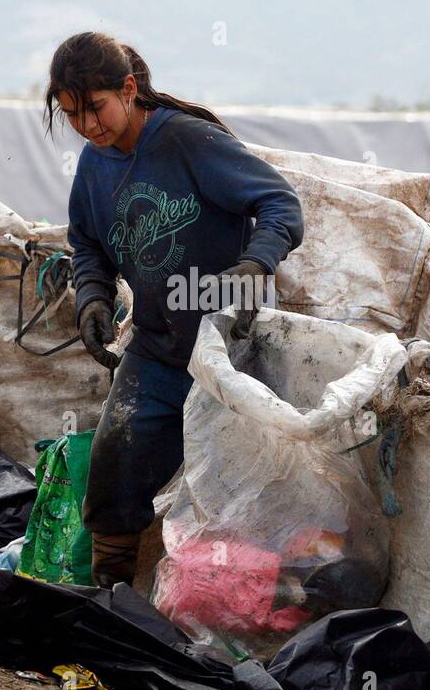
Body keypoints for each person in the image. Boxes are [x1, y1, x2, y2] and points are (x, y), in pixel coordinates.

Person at [45, 31, 304, 588]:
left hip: (228, 349)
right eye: (72, 115)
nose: (88, 126)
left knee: (237, 495)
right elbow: (86, 243)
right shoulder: (94, 165)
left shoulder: (189, 142)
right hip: (158, 347)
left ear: (129, 89)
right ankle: (112, 601)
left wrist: (256, 264)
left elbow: (280, 204)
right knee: (115, 471)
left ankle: (248, 615)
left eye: (96, 108)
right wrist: (92, 296)